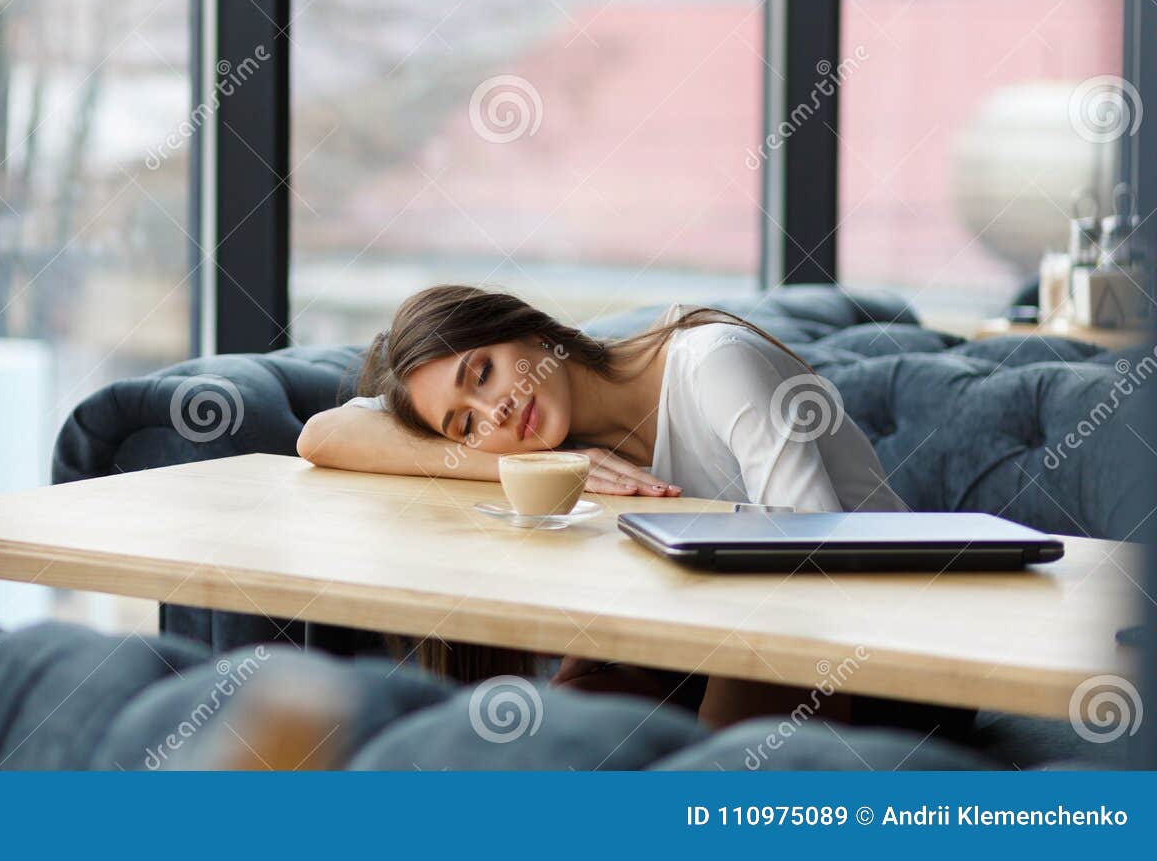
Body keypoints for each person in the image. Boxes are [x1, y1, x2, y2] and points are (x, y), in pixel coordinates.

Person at [295, 284, 970, 735]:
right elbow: (323, 433)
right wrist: (503, 461)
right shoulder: (554, 440)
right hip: (701, 649)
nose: (492, 410)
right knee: (551, 737)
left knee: (746, 651)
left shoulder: (713, 365)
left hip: (883, 649)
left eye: (483, 372)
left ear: (525, 327)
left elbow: (815, 566)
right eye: (463, 425)